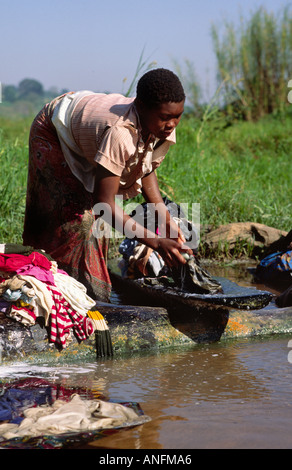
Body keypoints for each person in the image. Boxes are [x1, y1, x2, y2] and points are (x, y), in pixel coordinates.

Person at [23, 68, 190, 302]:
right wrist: (155, 241)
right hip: (55, 129)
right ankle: (56, 288)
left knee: (97, 223)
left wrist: (167, 221)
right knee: (77, 222)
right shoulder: (120, 134)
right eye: (165, 117)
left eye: (178, 115)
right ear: (140, 107)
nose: (172, 124)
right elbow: (104, 204)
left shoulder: (157, 123)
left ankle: (91, 288)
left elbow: (146, 167)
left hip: (90, 136)